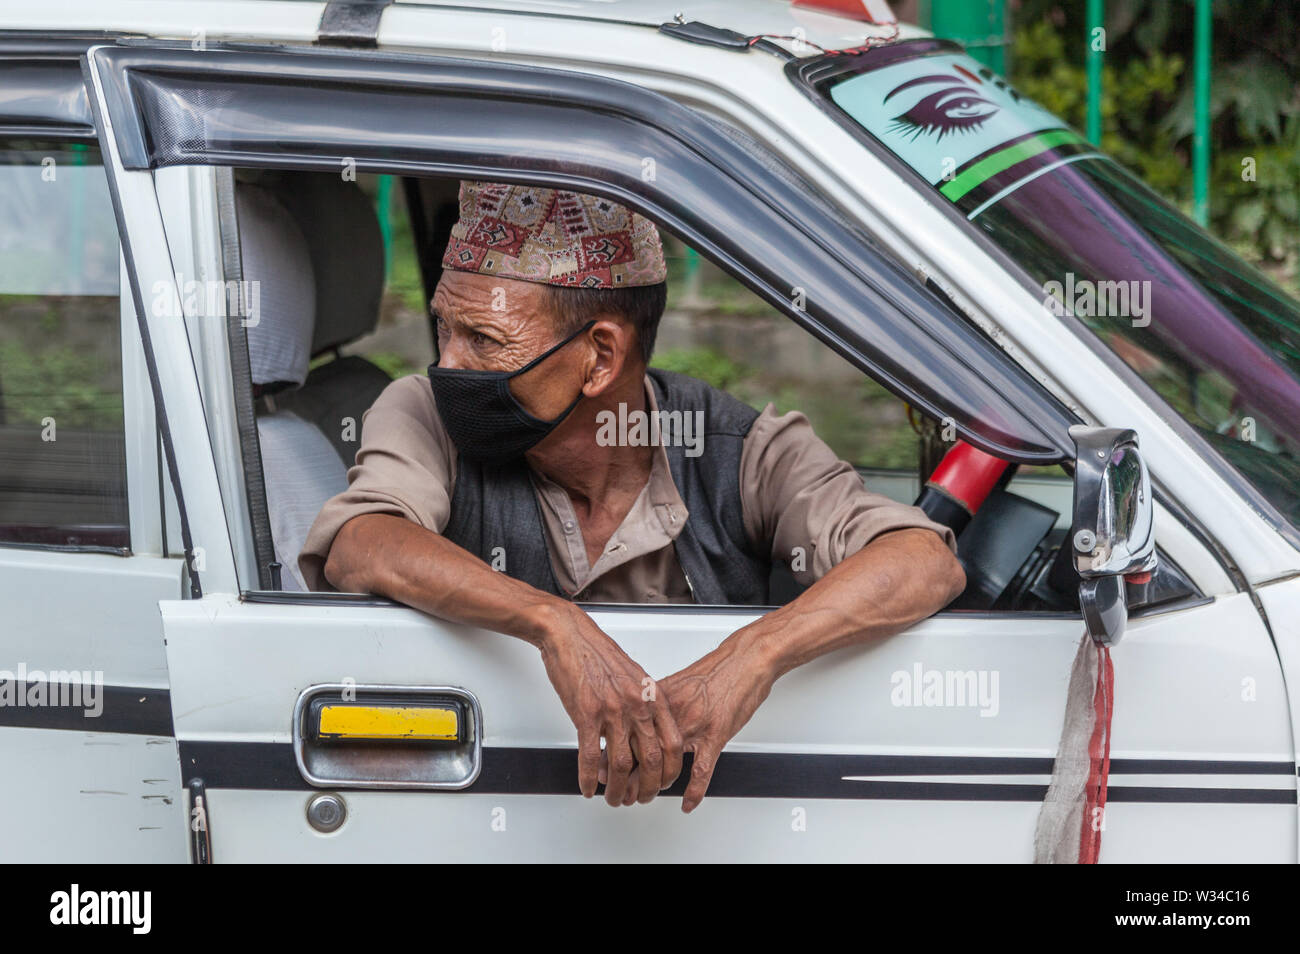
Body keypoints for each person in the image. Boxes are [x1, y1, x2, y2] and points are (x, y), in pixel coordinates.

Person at [299, 180, 965, 812]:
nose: (447, 362)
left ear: (602, 357)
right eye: (445, 327)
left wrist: (755, 655)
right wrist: (552, 623)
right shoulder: (423, 414)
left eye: (483, 339)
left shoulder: (737, 449)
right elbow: (364, 544)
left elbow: (920, 559)